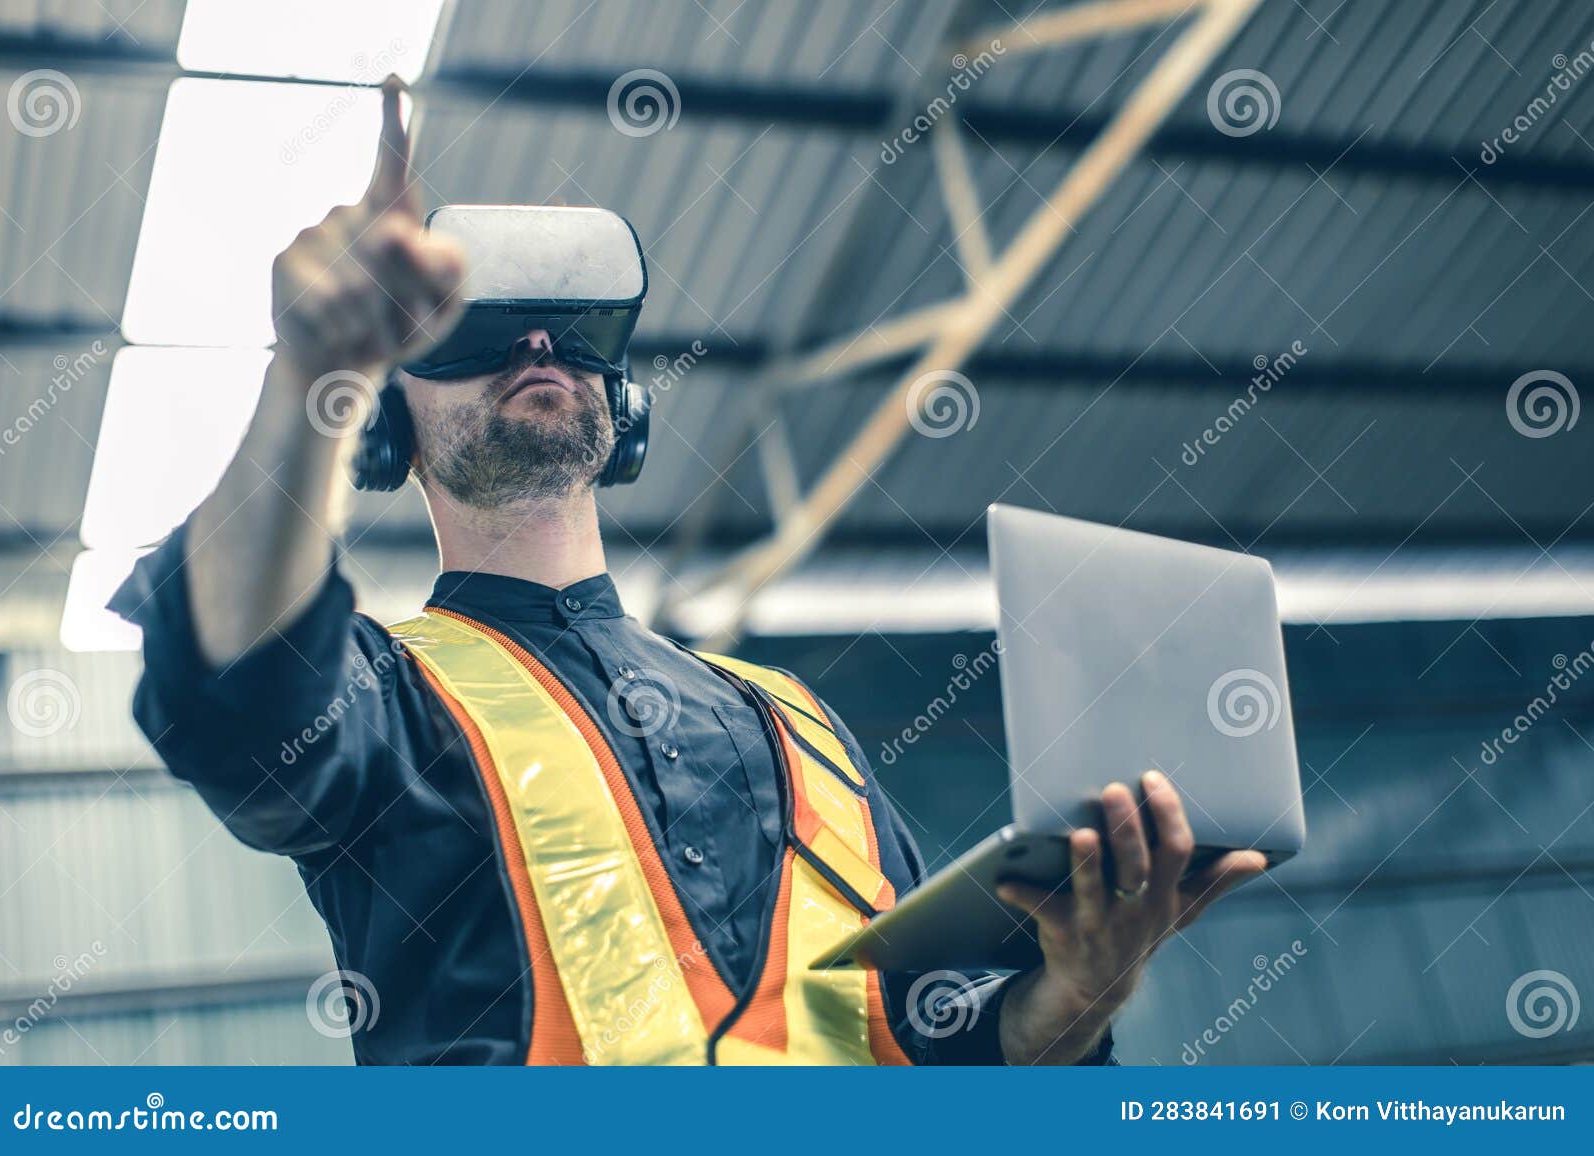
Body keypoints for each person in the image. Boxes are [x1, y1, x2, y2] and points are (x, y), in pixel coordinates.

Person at [112, 80, 1266, 1065]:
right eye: (476, 329)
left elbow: (929, 1048)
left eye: (575, 330)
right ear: (382, 431)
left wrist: (1074, 998)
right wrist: (315, 370)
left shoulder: (801, 724)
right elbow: (237, 689)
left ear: (627, 413)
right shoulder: (385, 699)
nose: (536, 346)